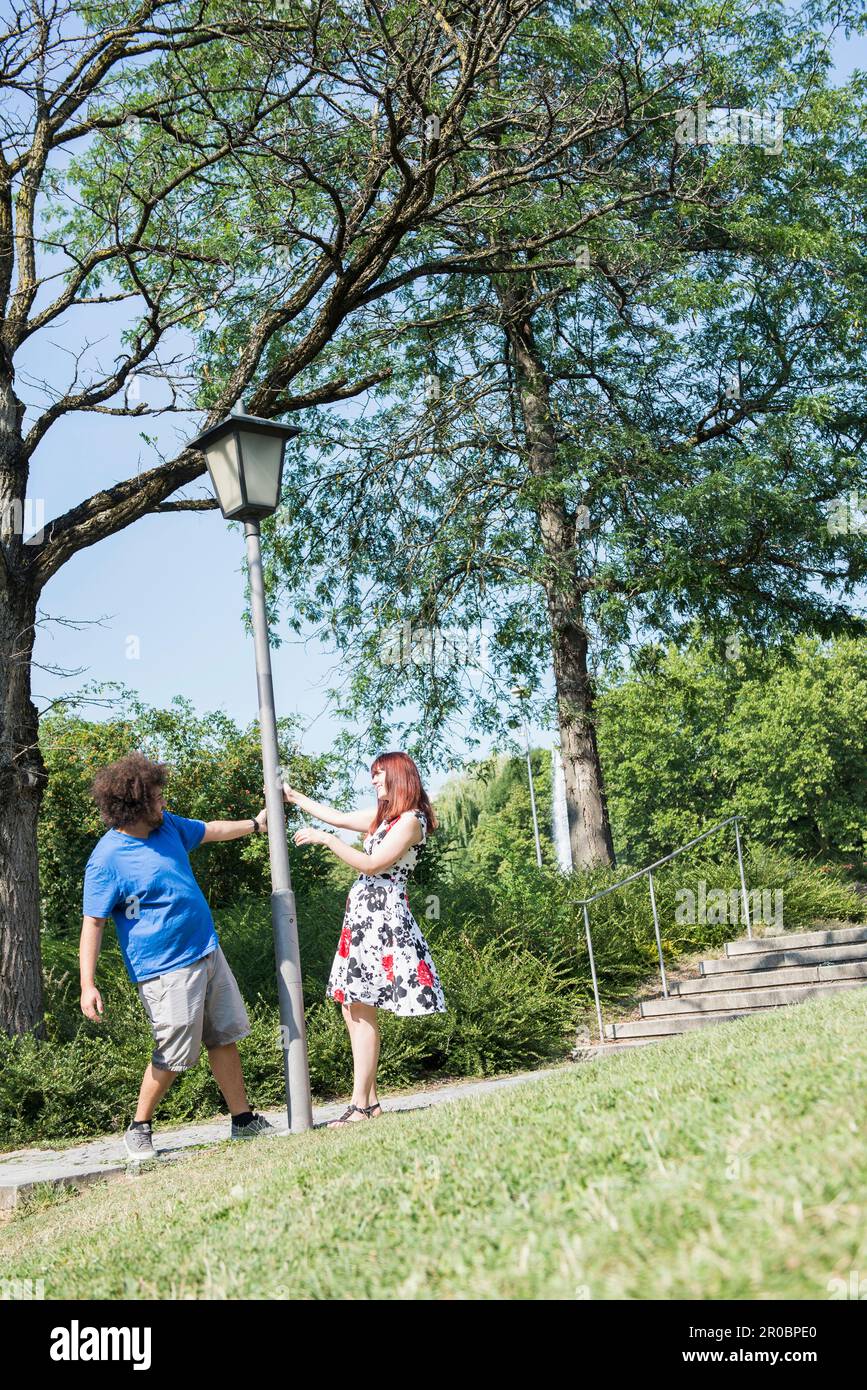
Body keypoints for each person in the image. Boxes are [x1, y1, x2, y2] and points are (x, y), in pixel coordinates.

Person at [79, 751, 275, 1162]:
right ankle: (139, 1128)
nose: (163, 802)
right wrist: (87, 984)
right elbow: (93, 923)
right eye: (156, 797)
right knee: (173, 1052)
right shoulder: (107, 859)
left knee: (223, 1036)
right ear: (133, 804)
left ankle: (243, 1120)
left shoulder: (167, 827)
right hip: (164, 969)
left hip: (206, 950)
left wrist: (256, 825)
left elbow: (211, 830)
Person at [285, 750, 446, 1127]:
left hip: (382, 920)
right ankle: (369, 1101)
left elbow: (373, 864)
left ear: (397, 777)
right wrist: (293, 797)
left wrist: (328, 841)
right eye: (372, 776)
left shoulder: (410, 822)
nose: (373, 781)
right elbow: (336, 815)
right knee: (350, 1004)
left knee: (361, 1004)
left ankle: (360, 1105)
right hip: (363, 919)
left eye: (379, 775)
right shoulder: (382, 819)